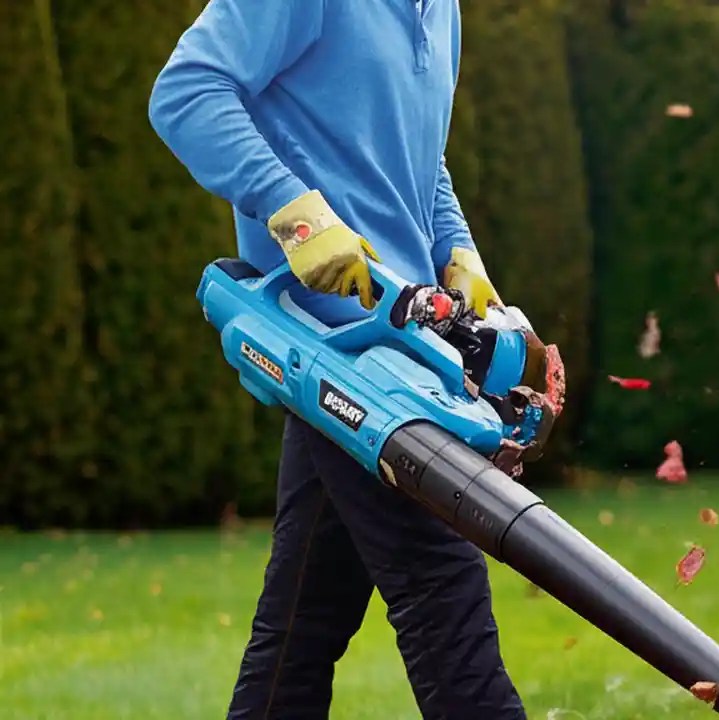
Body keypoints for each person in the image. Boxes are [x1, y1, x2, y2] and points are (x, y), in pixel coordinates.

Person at [149, 1, 534, 717]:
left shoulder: (438, 8)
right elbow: (187, 91)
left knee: (301, 627)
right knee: (448, 612)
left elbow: (415, 160)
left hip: (406, 349)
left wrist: (456, 246)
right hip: (346, 359)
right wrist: (296, 213)